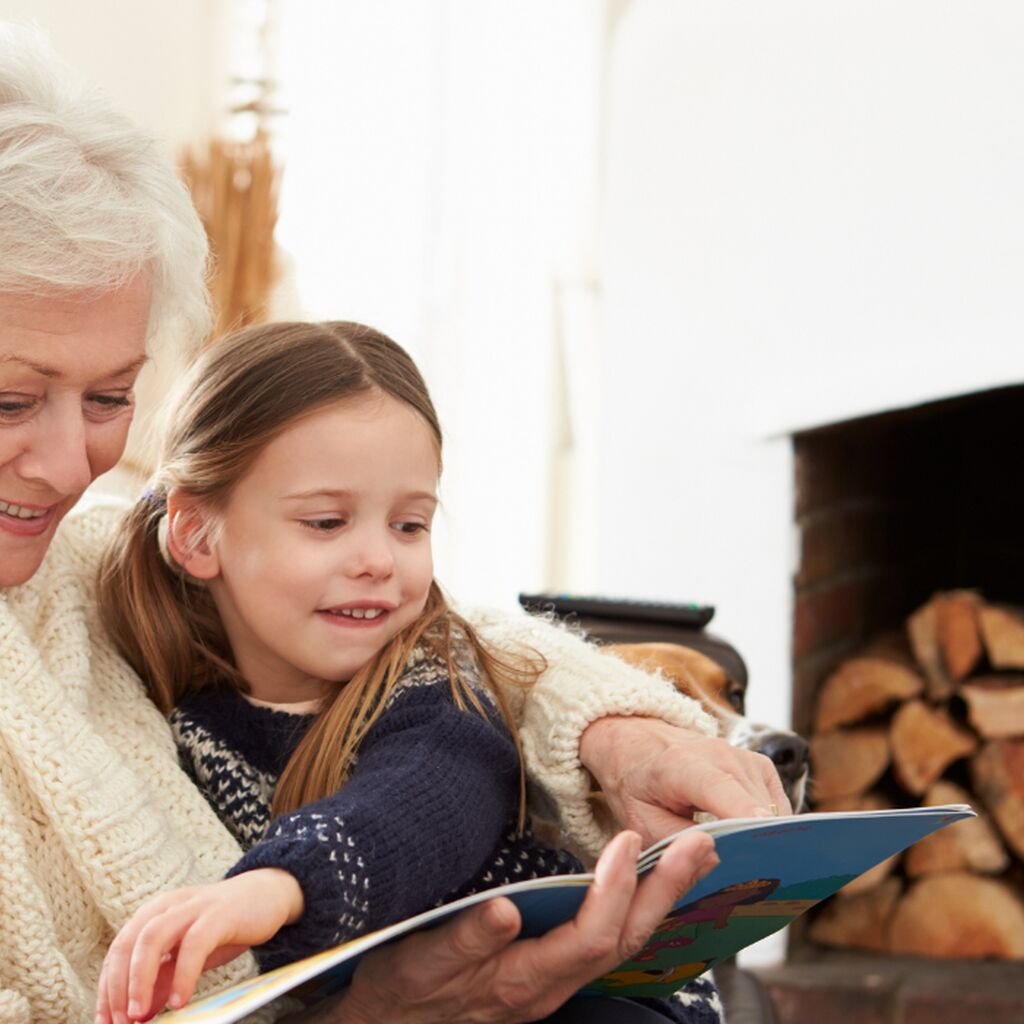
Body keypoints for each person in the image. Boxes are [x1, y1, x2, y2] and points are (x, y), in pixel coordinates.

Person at [0, 22, 788, 1024]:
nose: (75, 463)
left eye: (110, 398)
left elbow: (451, 657)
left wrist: (615, 729)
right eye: (11, 402)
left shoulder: (100, 566)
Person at [91, 320, 722, 1024]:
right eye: (328, 522)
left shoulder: (436, 686)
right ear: (195, 535)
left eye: (409, 525)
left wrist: (278, 885)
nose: (379, 560)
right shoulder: (161, 709)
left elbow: (426, 796)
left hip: (593, 993)